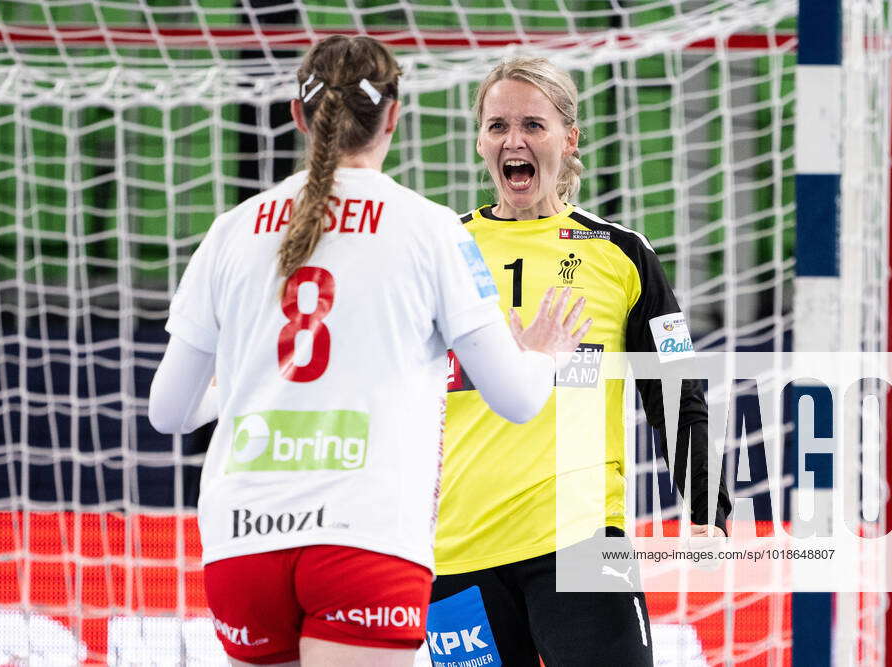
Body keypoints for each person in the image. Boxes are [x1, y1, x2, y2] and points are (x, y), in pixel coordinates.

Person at [147, 38, 591, 667]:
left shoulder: (233, 229)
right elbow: (517, 400)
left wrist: (248, 385)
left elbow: (168, 411)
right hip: (366, 540)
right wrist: (543, 354)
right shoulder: (429, 228)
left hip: (242, 539)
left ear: (300, 117)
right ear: (394, 117)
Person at [429, 57, 733, 666]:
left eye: (533, 125)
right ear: (480, 141)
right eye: (497, 126)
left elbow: (674, 387)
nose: (513, 141)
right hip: (458, 552)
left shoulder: (621, 254)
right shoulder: (442, 250)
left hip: (582, 544)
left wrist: (704, 503)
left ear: (569, 140)